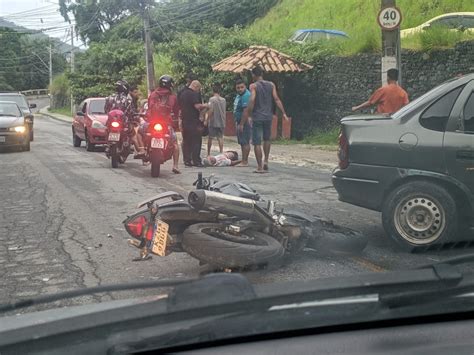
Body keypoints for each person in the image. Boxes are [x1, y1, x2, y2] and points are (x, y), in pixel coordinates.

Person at [247, 66, 289, 174]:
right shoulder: (271, 85)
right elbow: (276, 99)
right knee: (267, 139)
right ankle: (266, 160)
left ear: (253, 75)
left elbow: (252, 99)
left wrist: (249, 114)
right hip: (268, 116)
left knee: (257, 142)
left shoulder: (253, 86)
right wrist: (284, 113)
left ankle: (260, 167)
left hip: (257, 117)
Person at [146, 75, 181, 174]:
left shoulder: (153, 94)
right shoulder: (173, 97)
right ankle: (175, 165)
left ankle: (142, 150)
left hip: (152, 123)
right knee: (174, 143)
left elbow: (149, 108)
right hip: (166, 124)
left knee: (140, 132)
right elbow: (176, 111)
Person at [104, 80, 145, 157]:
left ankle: (108, 145)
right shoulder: (128, 100)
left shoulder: (109, 98)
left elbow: (106, 110)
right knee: (132, 133)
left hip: (111, 122)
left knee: (107, 129)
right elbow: (131, 112)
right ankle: (137, 149)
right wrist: (136, 118)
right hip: (124, 123)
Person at [178, 80, 209, 167]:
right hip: (193, 121)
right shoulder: (193, 94)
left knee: (187, 141)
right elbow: (197, 106)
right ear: (195, 86)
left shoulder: (182, 93)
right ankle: (196, 160)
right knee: (196, 141)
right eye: (198, 89)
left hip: (185, 120)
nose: (198, 91)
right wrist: (206, 105)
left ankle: (187, 160)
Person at [233, 78, 251, 167]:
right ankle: (243, 159)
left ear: (245, 87)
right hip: (239, 121)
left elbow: (246, 111)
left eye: (242, 87)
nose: (240, 89)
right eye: (238, 88)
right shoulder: (239, 95)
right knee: (242, 142)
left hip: (244, 122)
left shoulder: (246, 96)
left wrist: (242, 124)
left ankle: (245, 161)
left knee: (245, 141)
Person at [206, 83, 226, 156]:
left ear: (213, 91)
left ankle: (208, 153)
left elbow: (210, 110)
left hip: (213, 121)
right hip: (222, 121)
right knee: (220, 137)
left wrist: (207, 119)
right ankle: (221, 153)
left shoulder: (212, 99)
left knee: (210, 138)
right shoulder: (223, 100)